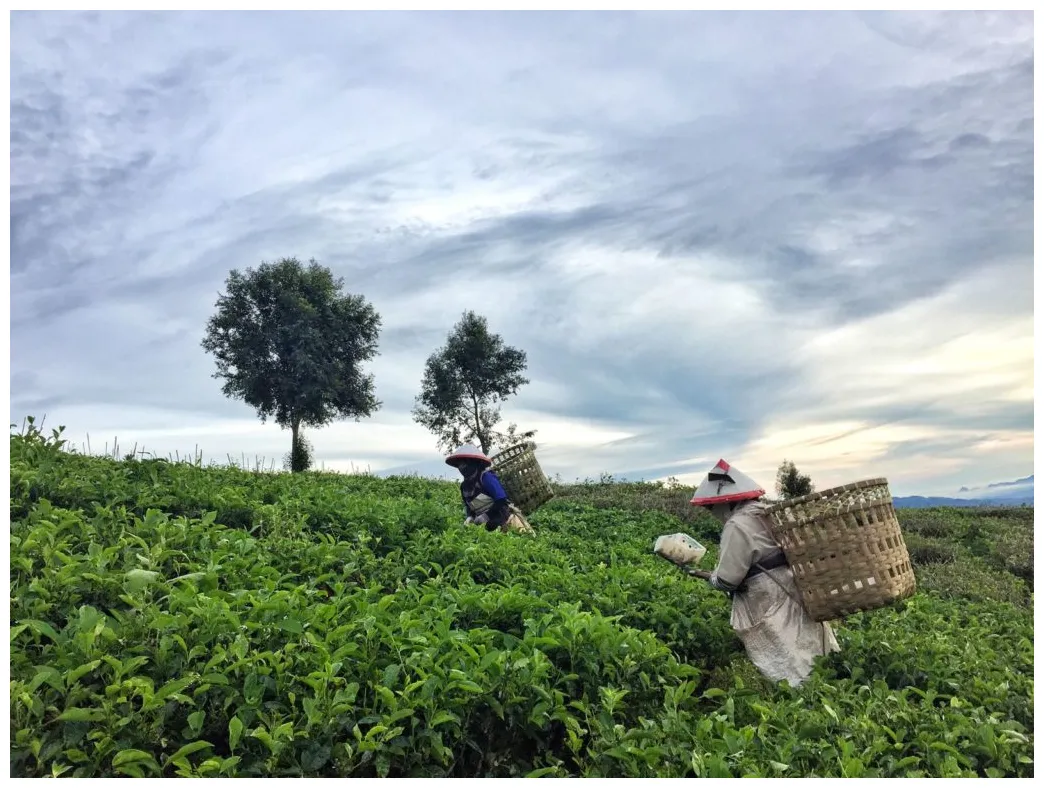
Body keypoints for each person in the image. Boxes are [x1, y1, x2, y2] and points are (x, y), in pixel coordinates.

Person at [689, 458, 839, 687]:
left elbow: (728, 579)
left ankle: (797, 691)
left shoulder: (737, 524)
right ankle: (827, 683)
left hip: (766, 593)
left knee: (783, 647)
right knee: (804, 636)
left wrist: (713, 579)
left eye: (711, 507)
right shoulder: (768, 511)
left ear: (725, 502)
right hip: (791, 582)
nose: (711, 512)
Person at [445, 444, 535, 536]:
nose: (461, 468)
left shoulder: (486, 477)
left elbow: (501, 500)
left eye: (464, 464)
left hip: (506, 521)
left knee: (524, 539)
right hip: (487, 529)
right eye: (459, 465)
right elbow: (469, 506)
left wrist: (486, 516)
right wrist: (470, 516)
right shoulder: (464, 487)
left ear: (473, 462)